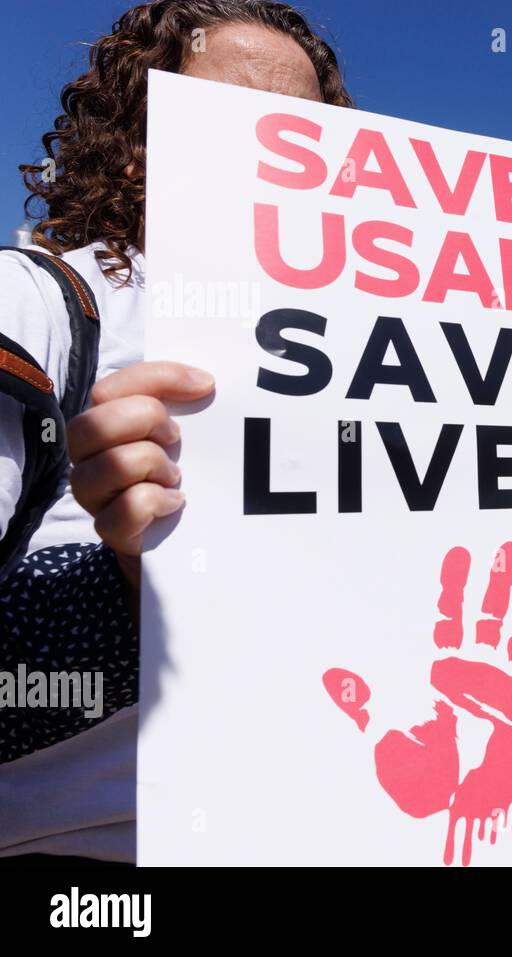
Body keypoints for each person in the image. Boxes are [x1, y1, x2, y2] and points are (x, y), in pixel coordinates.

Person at [0, 0, 352, 862]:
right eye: (227, 122)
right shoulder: (43, 302)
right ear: (132, 145)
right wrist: (123, 587)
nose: (272, 154)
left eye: (303, 133)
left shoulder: (393, 341)